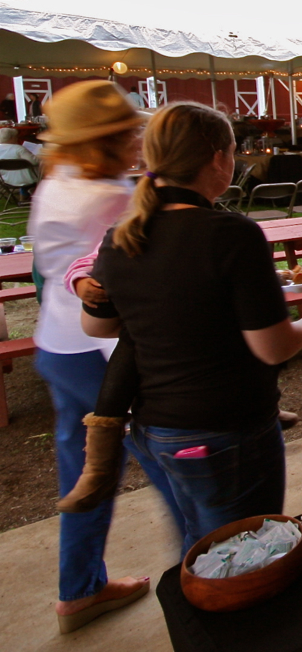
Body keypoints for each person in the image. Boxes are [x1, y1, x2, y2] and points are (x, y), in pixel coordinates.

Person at [81, 102, 302, 555]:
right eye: (233, 152)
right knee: (241, 555)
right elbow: (272, 347)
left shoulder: (124, 233)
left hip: (155, 429)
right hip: (225, 431)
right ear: (219, 158)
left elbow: (96, 326)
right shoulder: (231, 234)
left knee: (199, 544)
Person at [27, 81, 150, 633]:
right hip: (105, 355)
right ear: (107, 141)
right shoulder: (110, 197)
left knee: (86, 474)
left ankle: (79, 591)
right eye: (129, 133)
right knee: (175, 463)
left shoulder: (57, 182)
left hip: (58, 345)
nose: (137, 140)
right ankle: (220, 572)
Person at [0, 126, 41, 190]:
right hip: (28, 179)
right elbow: (35, 162)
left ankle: (23, 196)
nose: (17, 139)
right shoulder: (19, 149)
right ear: (11, 138)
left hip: (6, 179)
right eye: (16, 137)